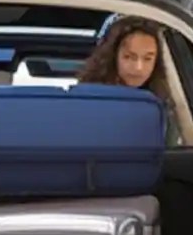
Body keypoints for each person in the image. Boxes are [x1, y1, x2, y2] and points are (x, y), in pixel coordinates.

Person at [77, 15, 184, 145]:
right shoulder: (87, 100)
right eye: (129, 57)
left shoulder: (165, 107)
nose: (139, 68)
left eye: (148, 59)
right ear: (112, 57)